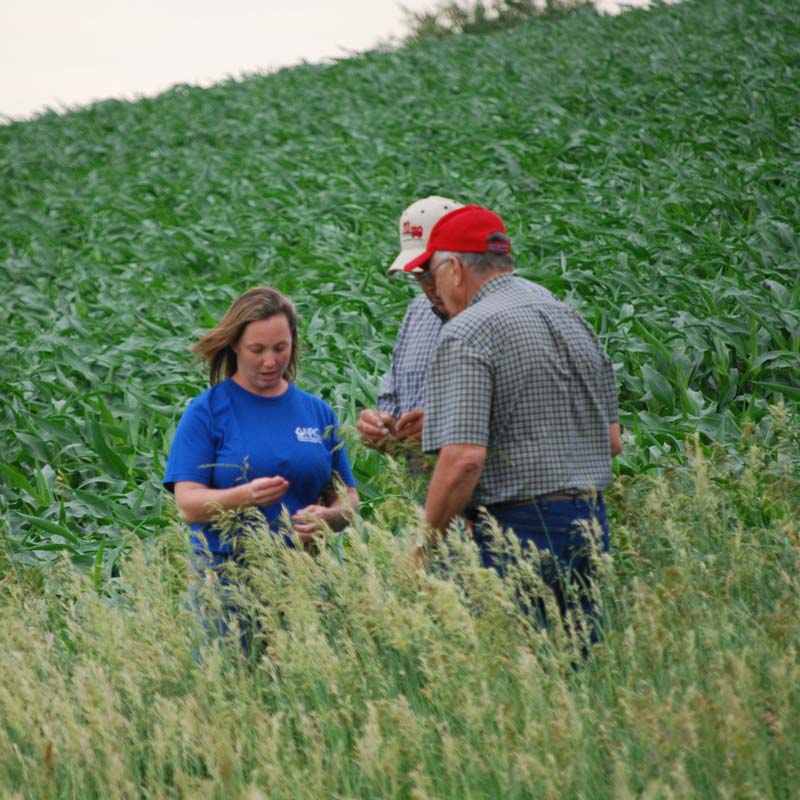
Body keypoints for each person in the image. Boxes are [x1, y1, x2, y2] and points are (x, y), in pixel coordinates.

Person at [401, 205, 622, 645]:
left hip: (522, 528)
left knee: (515, 664)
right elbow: (611, 440)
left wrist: (424, 547)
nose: (433, 290)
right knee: (576, 662)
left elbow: (464, 458)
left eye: (433, 274)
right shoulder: (567, 316)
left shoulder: (468, 330)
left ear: (455, 270)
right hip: (591, 521)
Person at [164, 285, 359, 559]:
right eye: (257, 350)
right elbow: (187, 505)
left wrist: (330, 517)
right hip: (227, 577)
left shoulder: (317, 412)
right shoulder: (206, 412)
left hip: (307, 572)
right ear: (234, 344)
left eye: (280, 348)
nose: (270, 361)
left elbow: (348, 496)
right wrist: (246, 496)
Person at [357, 196, 555, 449]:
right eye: (418, 275)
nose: (430, 286)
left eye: (432, 271)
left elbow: (545, 414)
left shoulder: (528, 306)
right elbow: (392, 405)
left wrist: (445, 430)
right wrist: (381, 428)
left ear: (458, 262)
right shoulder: (419, 312)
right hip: (426, 474)